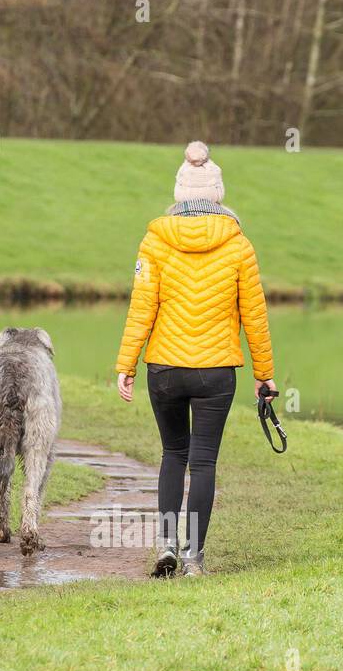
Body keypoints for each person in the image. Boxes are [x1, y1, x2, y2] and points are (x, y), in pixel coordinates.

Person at [115, 141, 276, 578]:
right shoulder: (240, 245)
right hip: (215, 372)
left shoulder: (155, 241)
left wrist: (126, 364)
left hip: (164, 369)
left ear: (179, 193)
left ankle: (165, 546)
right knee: (203, 461)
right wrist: (264, 375)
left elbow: (141, 307)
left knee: (172, 454)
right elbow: (255, 317)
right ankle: (193, 558)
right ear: (218, 194)